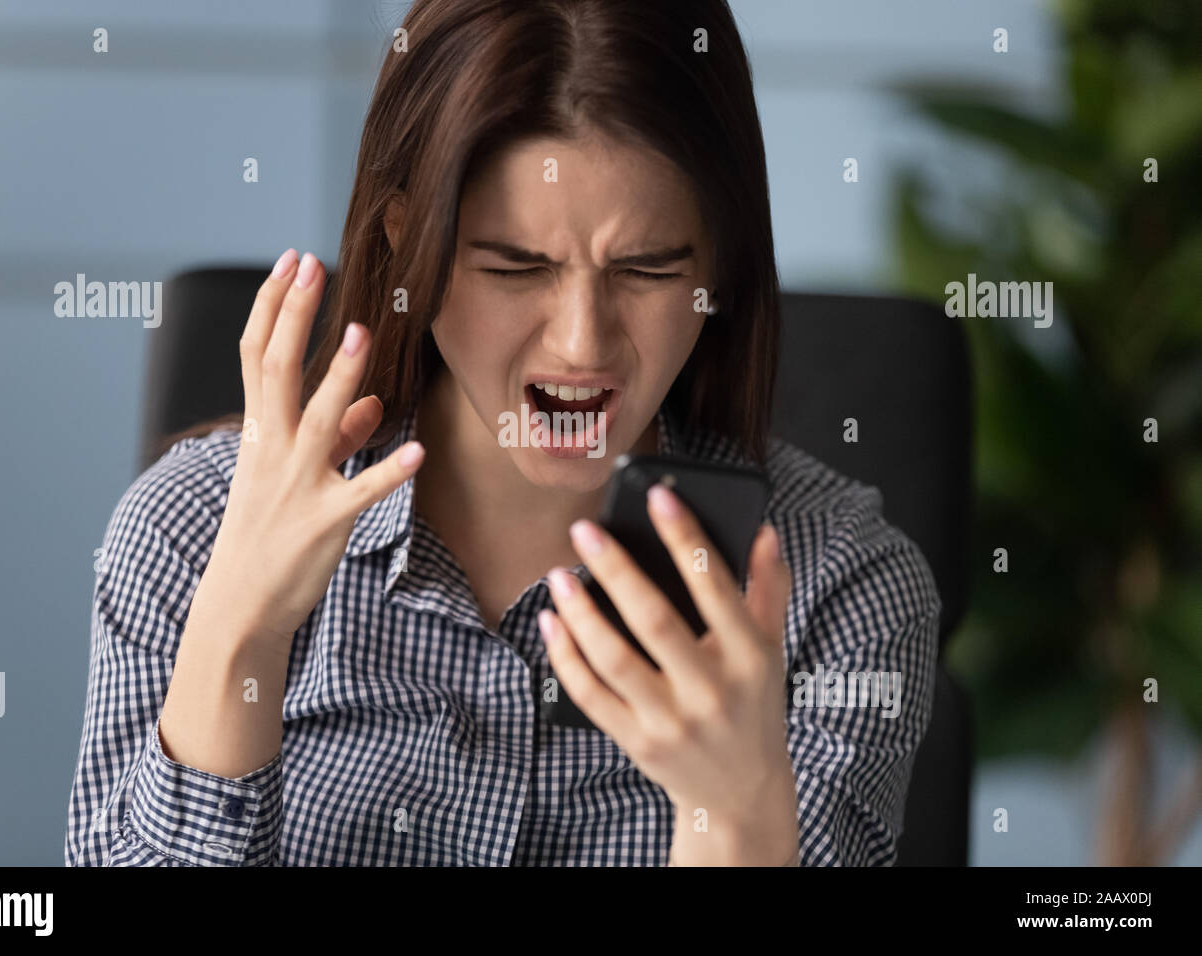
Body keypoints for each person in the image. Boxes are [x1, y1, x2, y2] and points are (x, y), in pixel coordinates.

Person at [65, 0, 941, 866]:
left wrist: (737, 819)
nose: (581, 343)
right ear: (414, 248)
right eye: (515, 267)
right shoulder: (188, 531)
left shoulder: (841, 591)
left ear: (716, 263)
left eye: (645, 268)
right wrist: (238, 637)